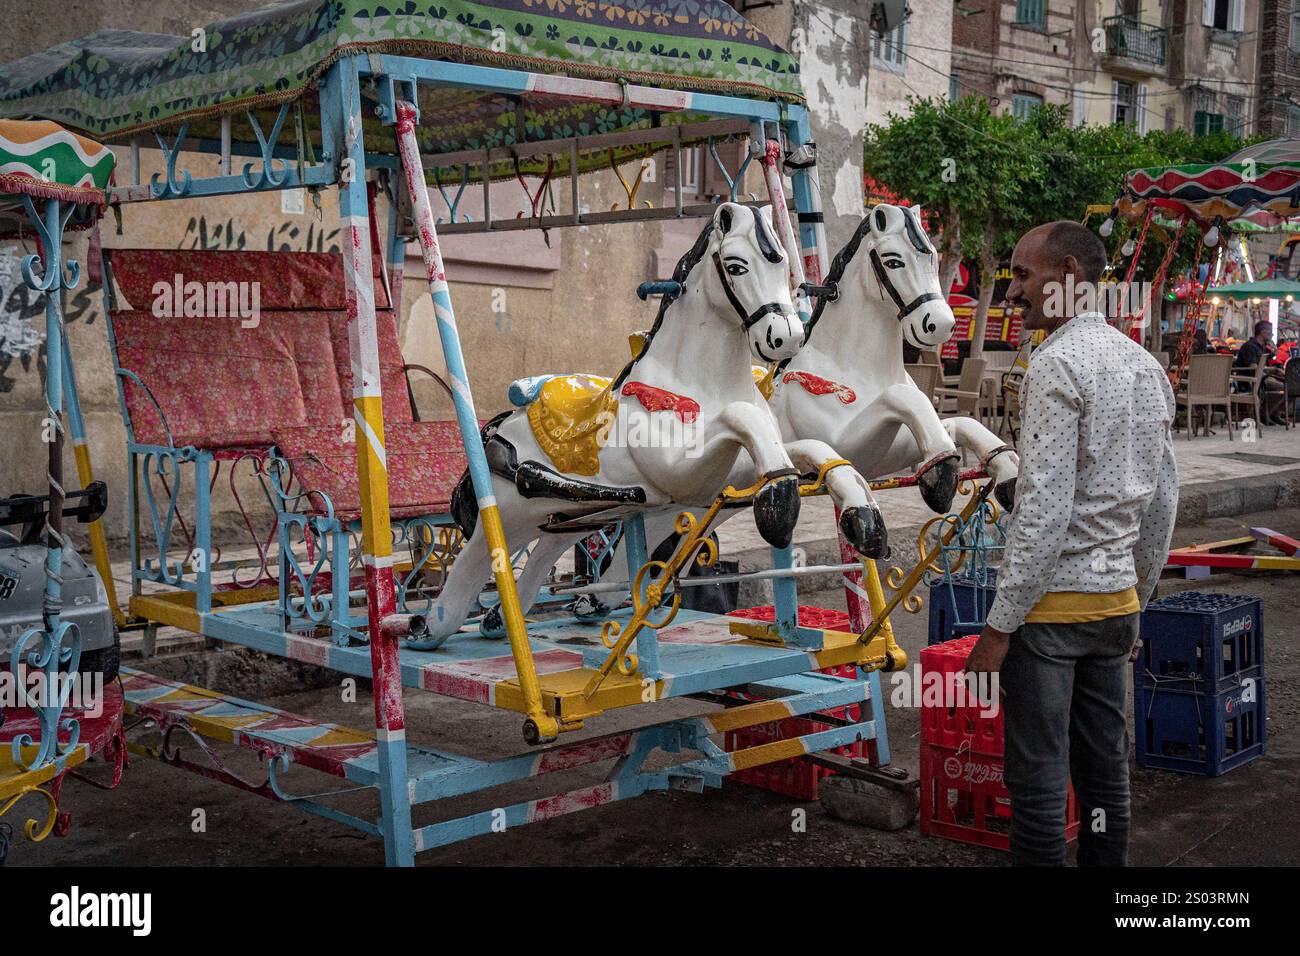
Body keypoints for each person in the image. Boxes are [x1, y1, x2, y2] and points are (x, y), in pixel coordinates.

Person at [964, 221, 1178, 867]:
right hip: (1112, 609)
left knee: (1036, 783)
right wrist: (1137, 595)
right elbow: (1163, 500)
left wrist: (999, 630)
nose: (1011, 293)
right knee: (1105, 771)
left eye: (1022, 276)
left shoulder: (1056, 363)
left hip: (1051, 618)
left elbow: (1045, 511)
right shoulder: (1142, 363)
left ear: (1067, 275)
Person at [1233, 320, 1286, 426]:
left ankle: (1272, 414)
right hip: (1250, 379)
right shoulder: (1250, 346)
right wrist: (1272, 372)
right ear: (1263, 332)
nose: (1272, 335)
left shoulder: (1262, 347)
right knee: (1282, 387)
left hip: (1260, 377)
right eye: (1270, 332)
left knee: (1288, 385)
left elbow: (1263, 367)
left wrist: (1274, 353)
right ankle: (1264, 414)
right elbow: (1254, 368)